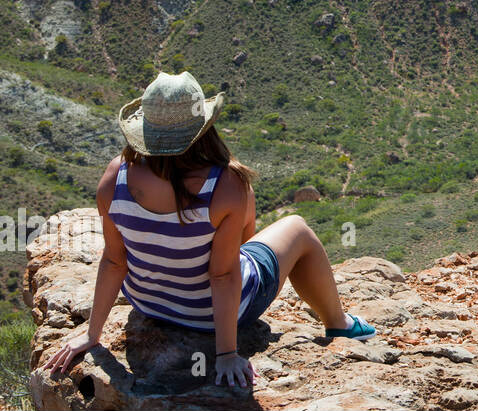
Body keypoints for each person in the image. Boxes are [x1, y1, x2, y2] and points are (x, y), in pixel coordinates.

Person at [46, 71, 375, 388]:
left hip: (149, 304)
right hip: (207, 314)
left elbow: (114, 261)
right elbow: (223, 276)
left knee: (240, 213)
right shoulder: (226, 183)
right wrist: (227, 353)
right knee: (298, 227)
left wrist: (92, 335)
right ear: (202, 127)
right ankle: (339, 324)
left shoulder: (114, 176)